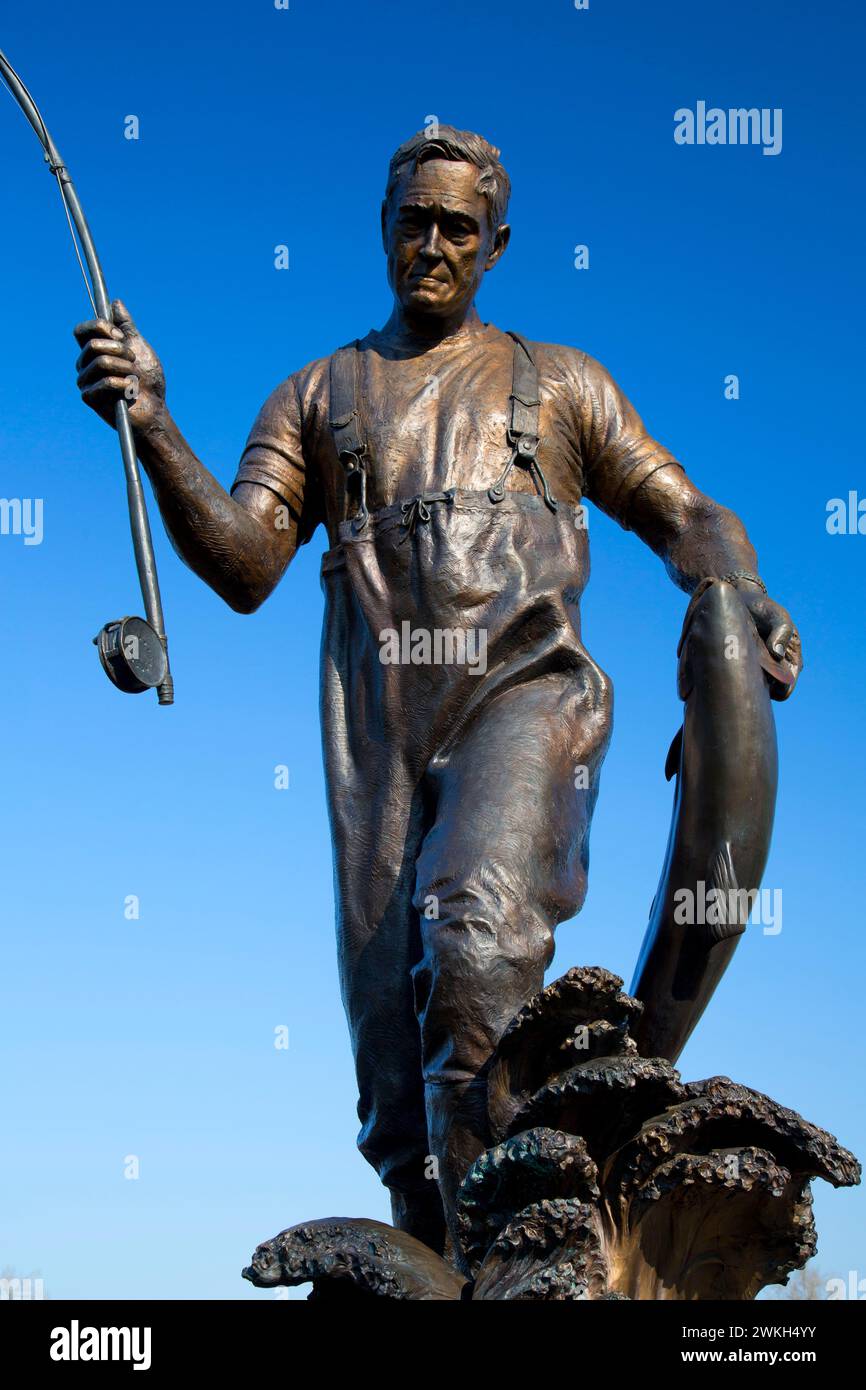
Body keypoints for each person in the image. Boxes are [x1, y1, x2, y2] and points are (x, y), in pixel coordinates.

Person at [73, 125, 802, 1257]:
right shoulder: (315, 395)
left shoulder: (559, 385)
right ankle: (449, 1253)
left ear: (496, 244)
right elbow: (243, 564)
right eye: (410, 220)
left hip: (525, 700)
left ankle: (519, 1260)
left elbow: (684, 512)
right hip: (378, 746)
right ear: (381, 228)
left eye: (456, 227)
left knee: (476, 949)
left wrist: (739, 589)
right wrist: (155, 421)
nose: (430, 243)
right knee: (394, 1088)